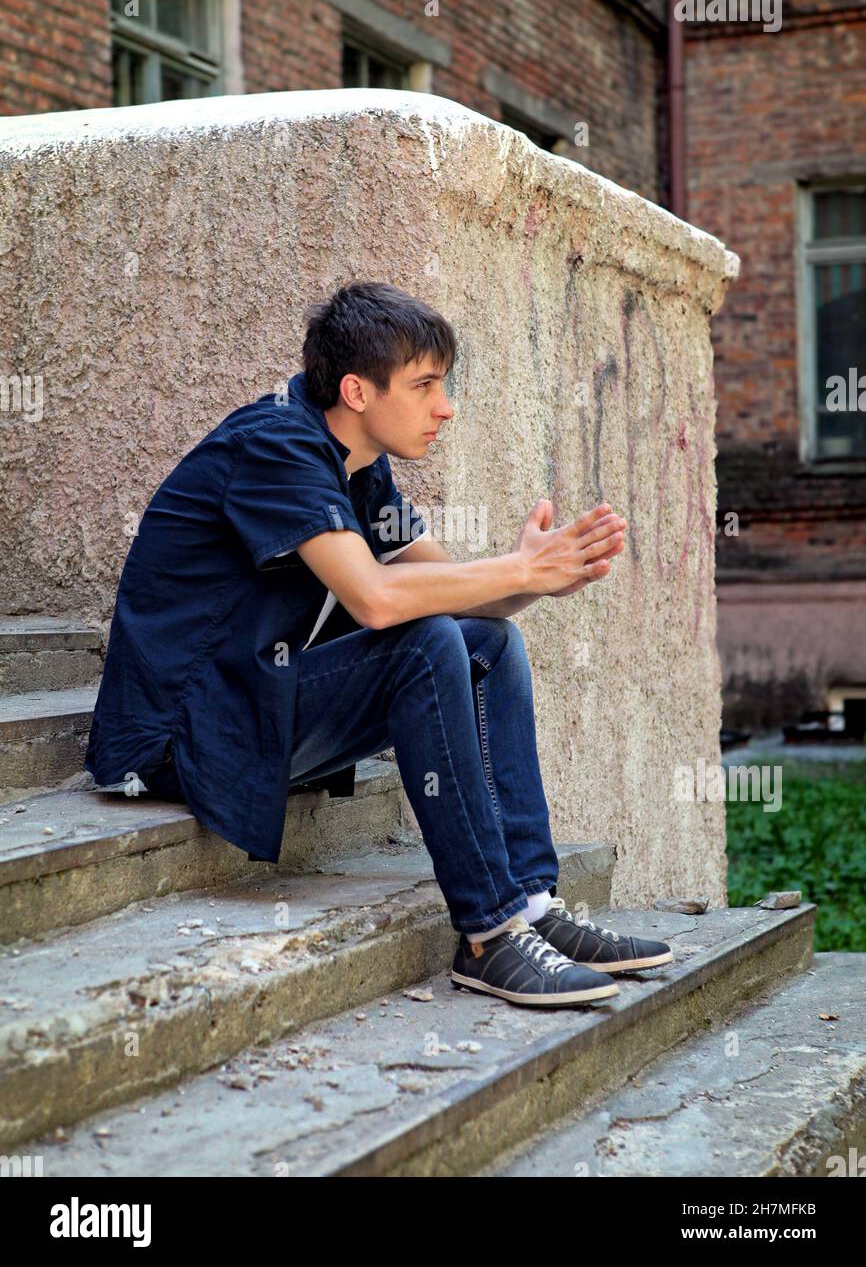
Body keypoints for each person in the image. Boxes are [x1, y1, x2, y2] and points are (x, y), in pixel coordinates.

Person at [85, 280, 671, 1009]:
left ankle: (529, 907)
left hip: (256, 703)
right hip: (178, 737)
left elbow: (456, 593)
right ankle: (488, 935)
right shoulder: (276, 446)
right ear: (358, 391)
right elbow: (376, 597)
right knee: (423, 643)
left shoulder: (359, 465)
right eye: (425, 385)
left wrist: (536, 579)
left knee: (487, 639)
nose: (445, 406)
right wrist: (520, 568)